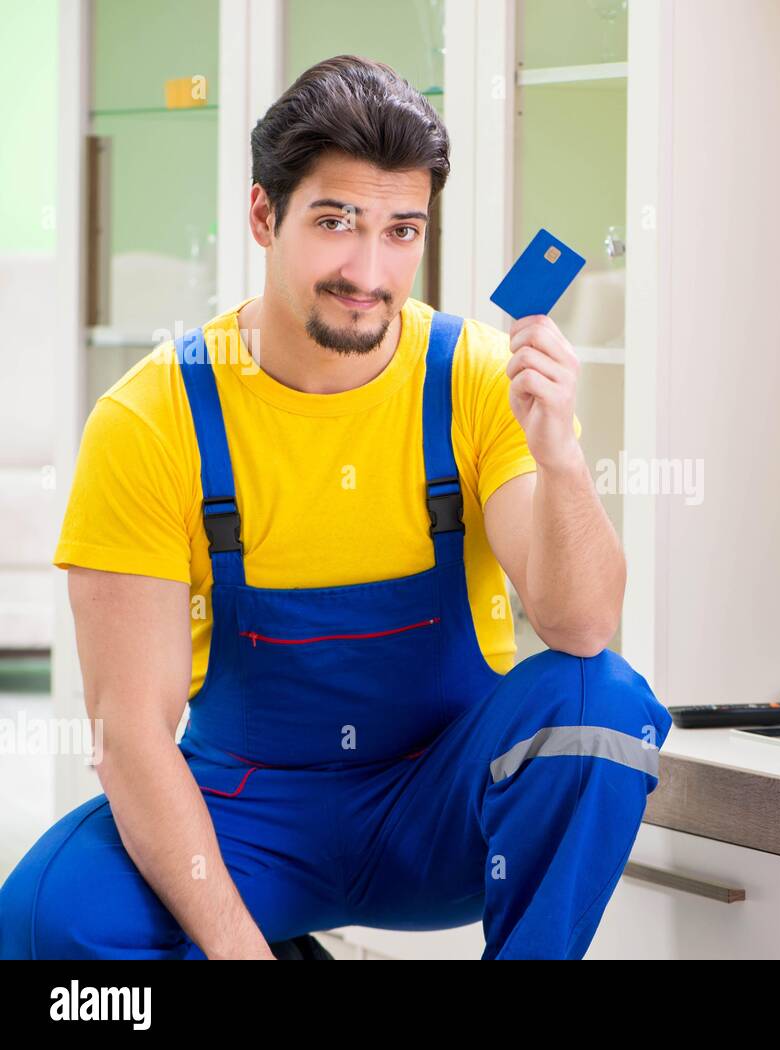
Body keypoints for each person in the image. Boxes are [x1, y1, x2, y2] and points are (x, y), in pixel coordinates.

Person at [0, 54, 670, 960]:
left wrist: (561, 460)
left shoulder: (472, 378)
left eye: (402, 230)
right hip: (247, 823)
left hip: (441, 814)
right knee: (47, 923)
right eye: (334, 222)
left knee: (602, 700)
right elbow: (131, 740)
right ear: (262, 215)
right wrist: (240, 952)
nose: (369, 269)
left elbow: (583, 625)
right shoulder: (153, 419)